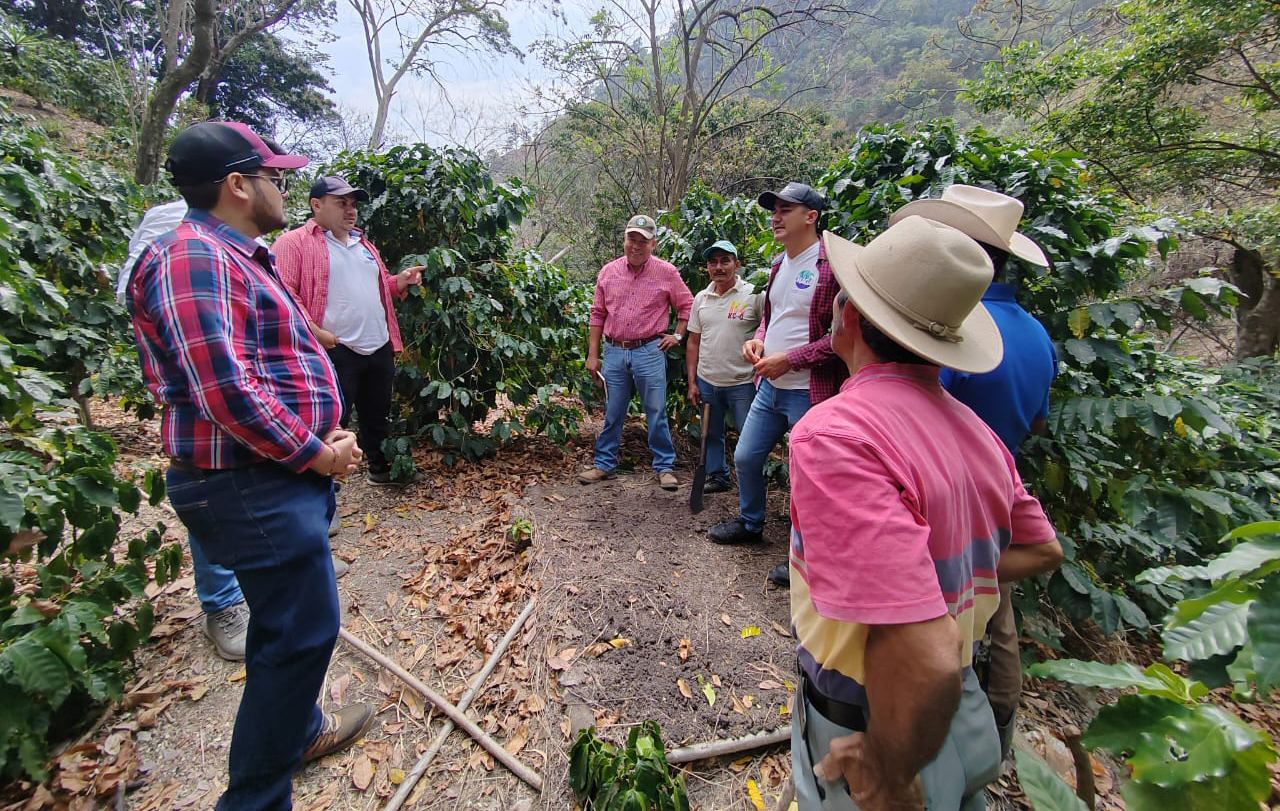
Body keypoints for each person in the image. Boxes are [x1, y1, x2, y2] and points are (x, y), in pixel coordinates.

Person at [126, 121, 375, 810]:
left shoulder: (232, 252)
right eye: (275, 176)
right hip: (245, 482)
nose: (283, 187)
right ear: (238, 185)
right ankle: (258, 794)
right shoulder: (193, 257)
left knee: (284, 622)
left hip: (267, 477)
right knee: (303, 631)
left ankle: (296, 728)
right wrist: (320, 452)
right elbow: (226, 389)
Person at [787, 216, 1063, 811]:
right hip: (961, 714)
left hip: (877, 717)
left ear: (852, 318)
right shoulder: (979, 435)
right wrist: (944, 579)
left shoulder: (838, 434)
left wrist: (889, 768)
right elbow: (1043, 550)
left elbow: (922, 652)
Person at [890, 184, 1058, 758]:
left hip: (938, 495)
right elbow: (1035, 424)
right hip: (1000, 494)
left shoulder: (955, 328)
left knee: (932, 615)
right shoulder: (1037, 335)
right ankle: (1001, 730)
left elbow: (923, 408)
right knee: (996, 608)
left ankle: (926, 741)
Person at [707, 183, 847, 564]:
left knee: (809, 474)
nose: (776, 217)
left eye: (786, 210)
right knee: (747, 456)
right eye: (774, 210)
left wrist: (791, 359)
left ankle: (807, 553)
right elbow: (772, 318)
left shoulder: (831, 266)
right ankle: (751, 523)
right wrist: (759, 340)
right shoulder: (778, 264)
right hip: (770, 385)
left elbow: (842, 337)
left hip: (810, 390)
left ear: (811, 216)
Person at [273, 176, 424, 486]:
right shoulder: (294, 242)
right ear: (316, 205)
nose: (350, 210)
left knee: (376, 414)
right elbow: (282, 294)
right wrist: (315, 332)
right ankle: (322, 491)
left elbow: (380, 285)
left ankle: (381, 470)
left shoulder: (362, 244)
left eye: (353, 204)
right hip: (334, 349)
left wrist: (401, 281)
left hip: (377, 344)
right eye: (341, 203)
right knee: (330, 422)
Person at [580, 214, 693, 491]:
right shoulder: (608, 271)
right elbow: (597, 314)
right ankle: (604, 464)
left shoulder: (666, 272)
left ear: (653, 243)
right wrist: (592, 355)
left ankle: (664, 466)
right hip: (615, 352)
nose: (636, 245)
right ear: (625, 239)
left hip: (649, 351)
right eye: (632, 238)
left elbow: (688, 305)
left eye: (643, 240)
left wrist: (677, 335)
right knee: (613, 411)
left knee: (656, 410)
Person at [685, 240, 762, 493]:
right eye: (713, 262)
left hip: (743, 382)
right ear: (707, 268)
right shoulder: (701, 299)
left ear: (737, 265)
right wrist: (692, 381)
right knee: (712, 433)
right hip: (708, 380)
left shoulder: (754, 295)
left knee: (749, 437)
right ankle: (718, 476)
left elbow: (767, 330)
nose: (718, 267)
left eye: (725, 261)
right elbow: (693, 342)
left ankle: (752, 484)